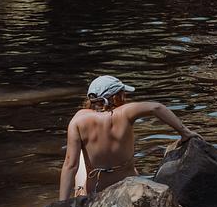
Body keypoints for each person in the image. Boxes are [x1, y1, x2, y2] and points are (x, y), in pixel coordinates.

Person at [59, 75, 201, 200]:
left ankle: (79, 195)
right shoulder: (125, 112)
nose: (125, 98)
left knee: (78, 159)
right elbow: (156, 107)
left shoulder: (78, 120)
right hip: (127, 188)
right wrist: (185, 133)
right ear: (116, 97)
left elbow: (70, 166)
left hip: (96, 193)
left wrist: (61, 206)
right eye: (123, 94)